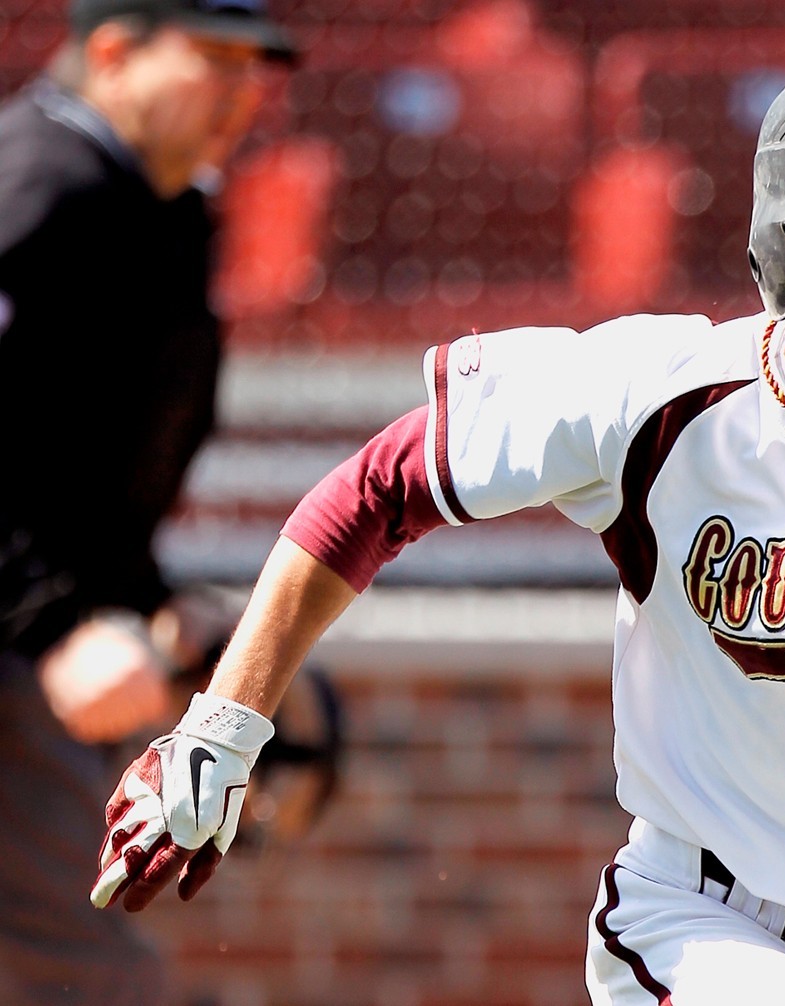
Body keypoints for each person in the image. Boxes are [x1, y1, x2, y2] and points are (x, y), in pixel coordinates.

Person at [91, 58, 785, 1005]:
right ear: (781, 256)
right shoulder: (660, 394)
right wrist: (225, 727)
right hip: (696, 923)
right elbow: (379, 488)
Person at [0, 0, 294, 1001]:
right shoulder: (43, 182)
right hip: (13, 640)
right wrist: (50, 627)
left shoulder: (154, 203)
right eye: (213, 58)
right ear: (115, 52)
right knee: (82, 975)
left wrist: (151, 603)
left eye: (256, 67)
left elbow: (76, 463)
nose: (242, 91)